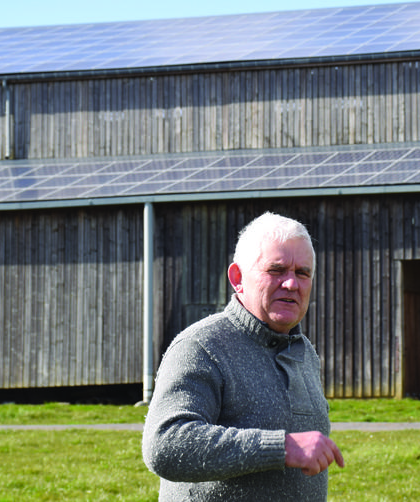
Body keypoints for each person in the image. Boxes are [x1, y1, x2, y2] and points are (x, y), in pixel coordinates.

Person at [142, 211, 344, 501]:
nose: (291, 284)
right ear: (237, 277)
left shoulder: (304, 352)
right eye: (276, 270)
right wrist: (281, 448)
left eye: (302, 273)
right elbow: (165, 446)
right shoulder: (201, 346)